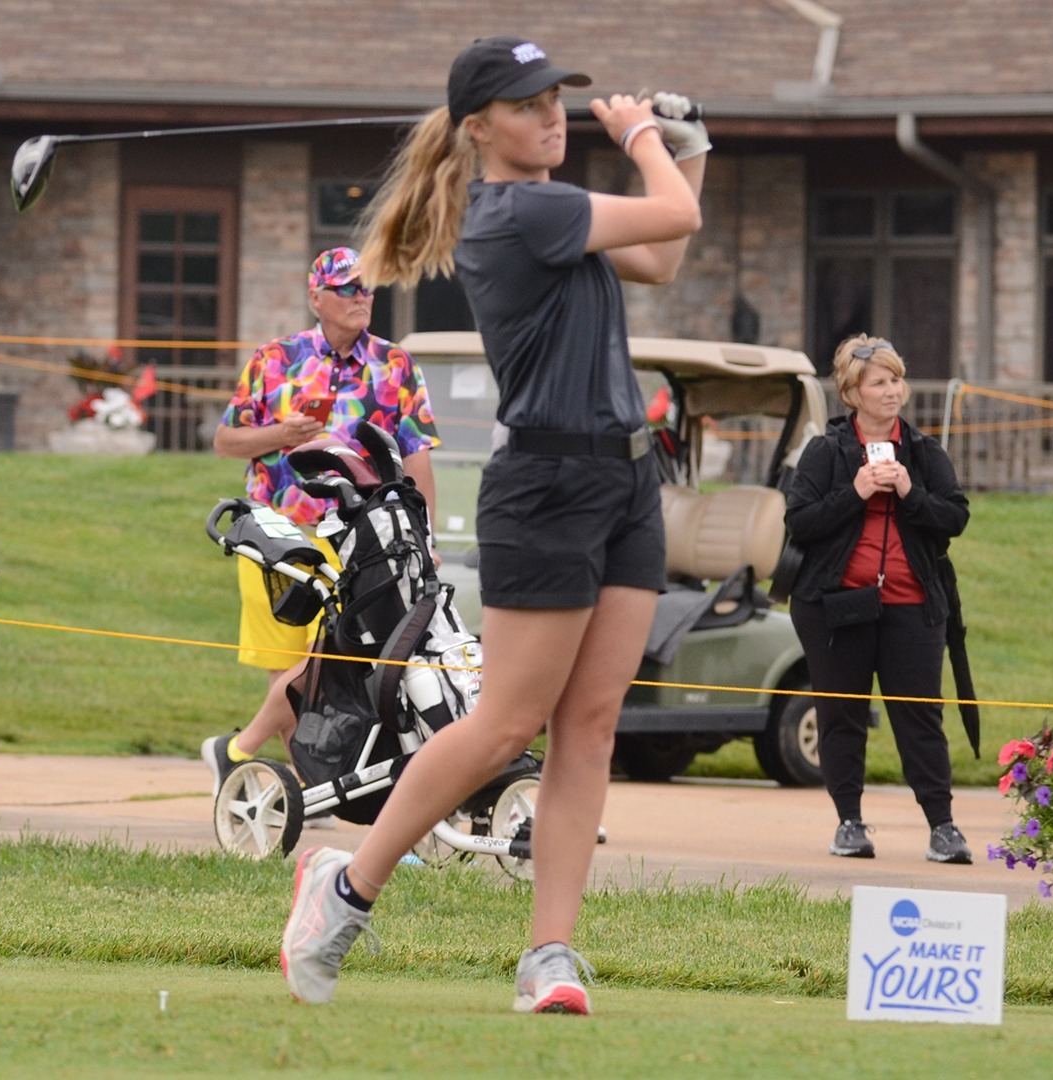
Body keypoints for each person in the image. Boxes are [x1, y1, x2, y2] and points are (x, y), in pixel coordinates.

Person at [279, 37, 708, 1014]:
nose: (553, 116)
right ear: (480, 129)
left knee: (590, 726)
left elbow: (663, 252)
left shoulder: (556, 210)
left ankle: (548, 955)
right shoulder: (521, 210)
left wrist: (689, 139)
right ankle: (345, 889)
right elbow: (674, 213)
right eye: (529, 105)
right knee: (507, 722)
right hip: (547, 487)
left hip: (627, 482)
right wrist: (643, 132)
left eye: (558, 98)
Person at [203, 247, 439, 789]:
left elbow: (417, 452)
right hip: (277, 532)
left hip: (362, 536)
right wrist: (279, 436)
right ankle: (308, 790)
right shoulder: (274, 359)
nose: (362, 298)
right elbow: (224, 441)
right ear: (316, 298)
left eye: (368, 288)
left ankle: (237, 751)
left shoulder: (395, 363)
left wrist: (422, 535)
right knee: (287, 663)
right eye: (347, 289)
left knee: (333, 661)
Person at [782, 335, 972, 865]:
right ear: (852, 393)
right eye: (880, 382)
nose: (894, 391)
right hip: (836, 606)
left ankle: (944, 827)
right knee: (841, 715)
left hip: (913, 606)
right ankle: (849, 823)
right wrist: (858, 490)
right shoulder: (826, 451)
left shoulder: (925, 451)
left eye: (897, 379)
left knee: (920, 716)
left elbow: (955, 517)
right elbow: (799, 522)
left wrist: (911, 492)